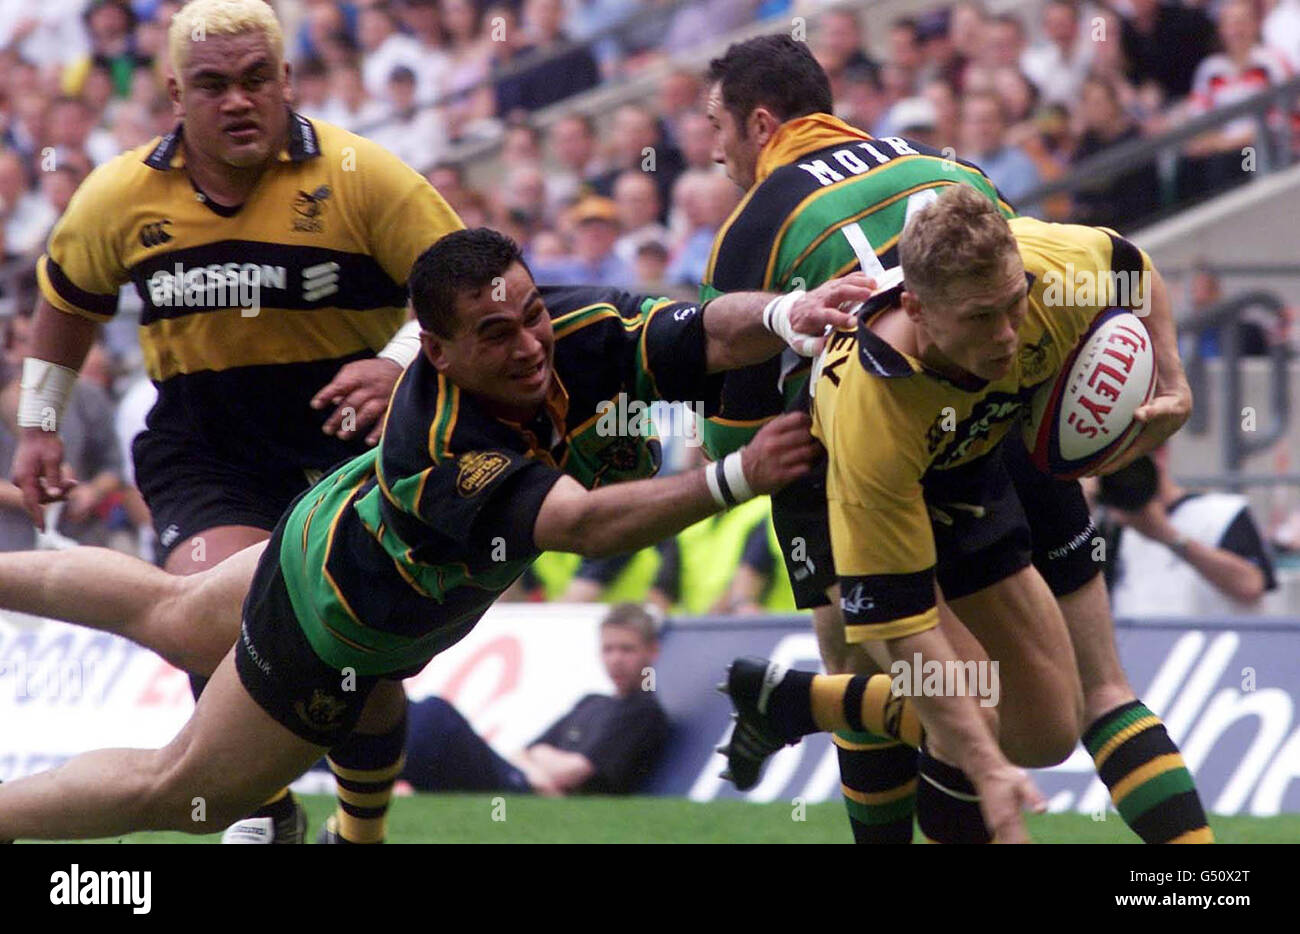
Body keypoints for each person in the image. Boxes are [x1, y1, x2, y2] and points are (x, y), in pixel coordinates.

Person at [0, 228, 877, 843]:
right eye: (497, 335)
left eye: (532, 313)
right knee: (185, 789)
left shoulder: (564, 326)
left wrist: (783, 315)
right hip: (327, 615)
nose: (532, 345)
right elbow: (580, 524)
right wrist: (736, 476)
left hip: (327, 523)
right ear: (440, 352)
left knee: (170, 608)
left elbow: (700, 329)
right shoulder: (446, 443)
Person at [704, 33, 1204, 846]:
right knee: (1003, 692)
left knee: (1032, 722)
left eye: (718, 126)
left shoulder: (750, 231)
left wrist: (1170, 386)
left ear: (759, 124)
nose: (716, 150)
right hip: (876, 432)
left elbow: (736, 432)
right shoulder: (937, 159)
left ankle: (801, 700)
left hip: (988, 408)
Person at [11, 0, 464, 843]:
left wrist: (396, 360)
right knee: (209, 617)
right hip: (205, 445)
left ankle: (360, 833)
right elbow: (68, 302)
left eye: (258, 80)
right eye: (214, 86)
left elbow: (469, 283)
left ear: (288, 80)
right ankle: (264, 814)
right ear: (176, 94)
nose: (239, 101)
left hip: (345, 449)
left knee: (362, 663)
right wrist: (41, 425)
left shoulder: (363, 174)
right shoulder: (119, 195)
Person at [402, 604, 668, 795]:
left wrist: (538, 761)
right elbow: (526, 751)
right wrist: (538, 766)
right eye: (608, 649)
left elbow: (573, 771)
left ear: (652, 650)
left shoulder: (642, 711)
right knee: (424, 715)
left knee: (434, 717)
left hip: (536, 795)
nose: (616, 659)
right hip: (530, 782)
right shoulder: (592, 701)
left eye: (627, 649)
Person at [1099, 450, 1278, 617]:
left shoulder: (1222, 513)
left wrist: (1168, 536)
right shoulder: (1113, 529)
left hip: (1213, 645)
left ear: (1160, 455)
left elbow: (1252, 585)